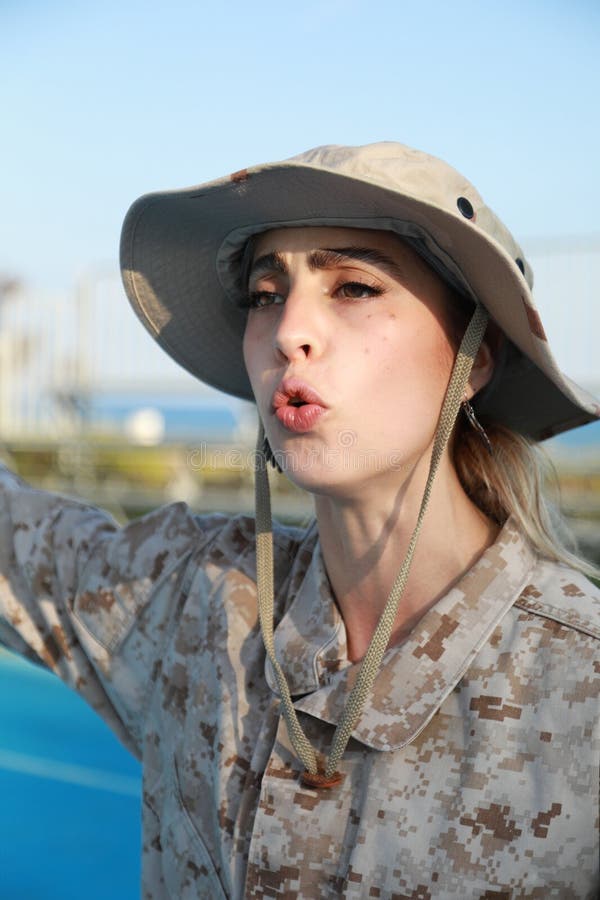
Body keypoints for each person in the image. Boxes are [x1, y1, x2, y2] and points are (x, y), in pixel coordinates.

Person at [1, 142, 599, 898]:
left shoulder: (581, 683)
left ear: (474, 359)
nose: (288, 332)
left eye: (352, 286)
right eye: (264, 294)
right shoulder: (195, 602)